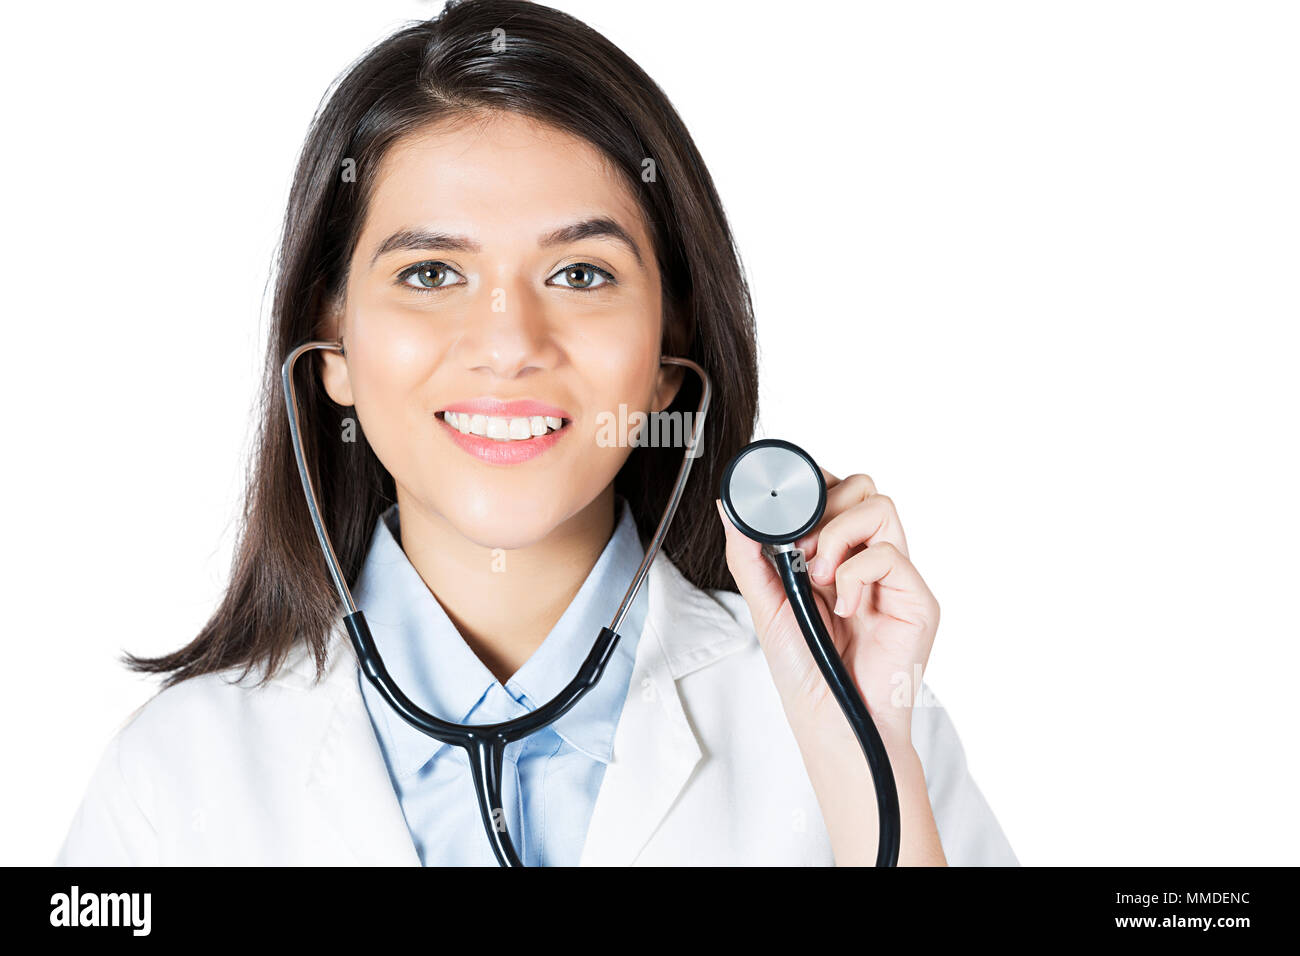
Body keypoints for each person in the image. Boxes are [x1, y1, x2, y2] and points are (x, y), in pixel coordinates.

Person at [55, 0, 1017, 867]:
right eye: (431, 274)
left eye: (581, 275)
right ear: (334, 344)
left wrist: (858, 753)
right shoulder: (176, 781)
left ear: (669, 354)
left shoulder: (861, 711)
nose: (510, 345)